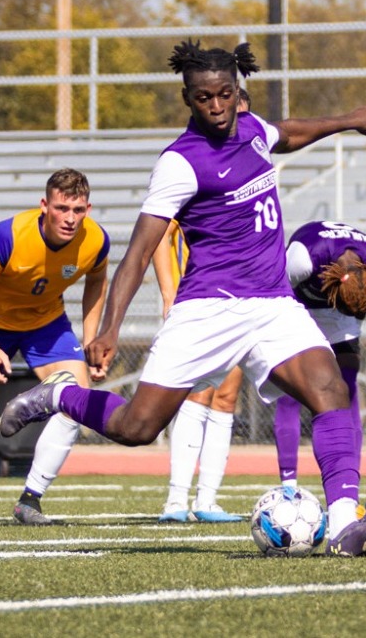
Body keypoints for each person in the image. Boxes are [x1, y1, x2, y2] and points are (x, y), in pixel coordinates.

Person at [0, 40, 366, 556]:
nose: (215, 106)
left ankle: (345, 524)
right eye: (203, 97)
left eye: (224, 94)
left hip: (272, 304)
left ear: (238, 91)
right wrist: (109, 327)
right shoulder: (180, 162)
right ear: (187, 98)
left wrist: (350, 120)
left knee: (330, 389)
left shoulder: (253, 131)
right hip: (208, 309)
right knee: (137, 427)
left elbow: (290, 132)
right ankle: (61, 396)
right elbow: (139, 252)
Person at [0, 168, 109, 526]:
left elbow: (96, 280)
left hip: (45, 322)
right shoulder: (11, 234)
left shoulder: (95, 240)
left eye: (78, 210)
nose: (70, 218)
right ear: (44, 206)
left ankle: (30, 499)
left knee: (77, 400)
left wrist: (92, 338)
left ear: (88, 210)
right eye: (62, 208)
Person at [274, 221, 366, 492]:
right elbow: (276, 291)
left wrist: (354, 310)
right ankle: (288, 487)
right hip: (299, 309)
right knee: (290, 392)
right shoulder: (304, 259)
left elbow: (358, 299)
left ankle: (350, 484)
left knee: (347, 389)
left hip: (346, 316)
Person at [153, 217, 244, 523]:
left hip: (238, 302)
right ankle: (176, 500)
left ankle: (207, 500)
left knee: (226, 398)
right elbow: (159, 234)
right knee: (198, 395)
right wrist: (169, 292)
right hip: (197, 301)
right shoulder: (193, 193)